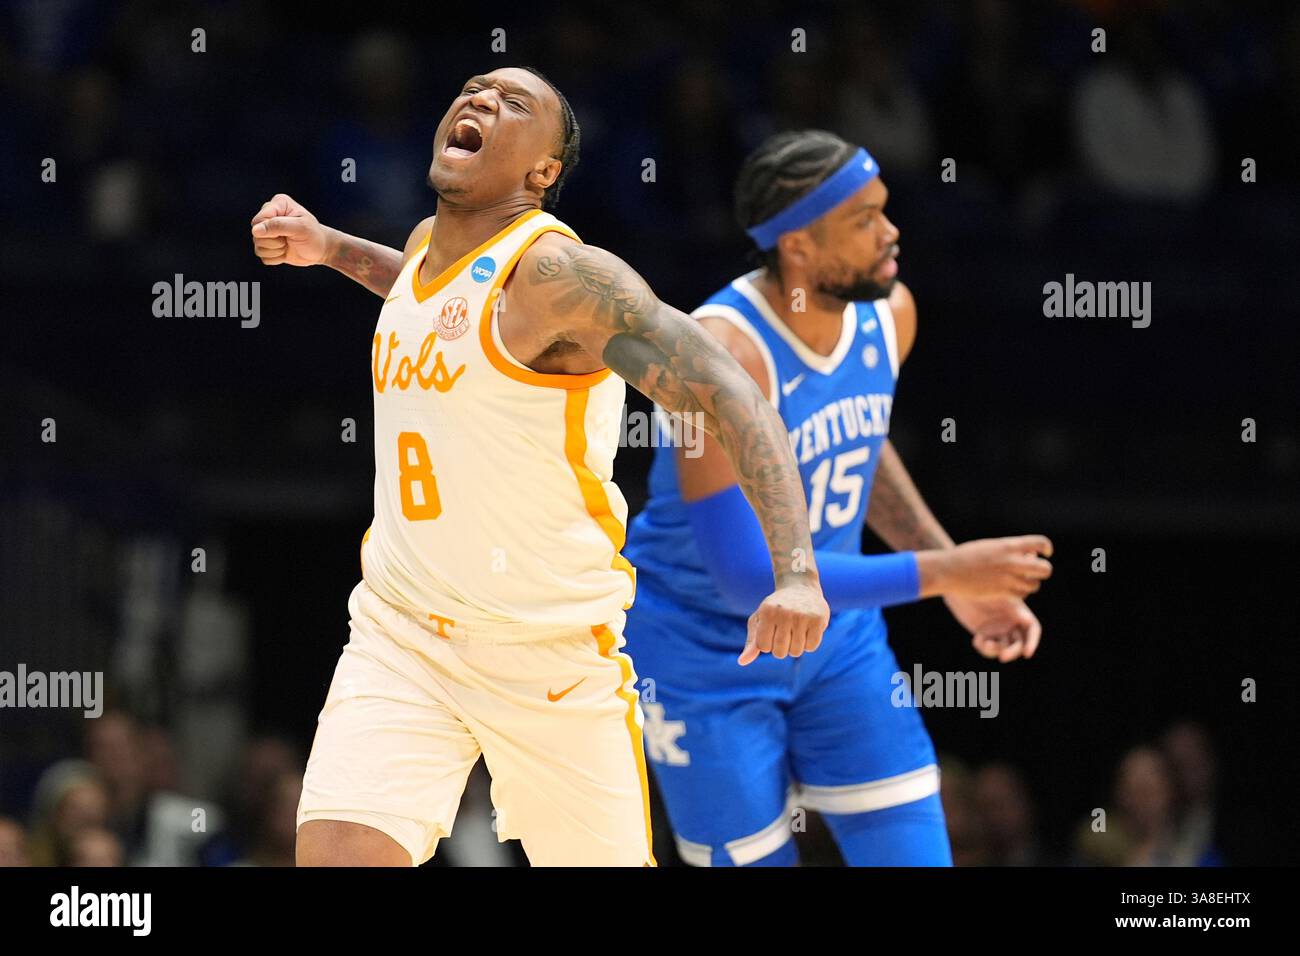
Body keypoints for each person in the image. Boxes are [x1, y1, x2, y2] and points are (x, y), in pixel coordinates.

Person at [249, 66, 830, 867]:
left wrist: (797, 571)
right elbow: (420, 295)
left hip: (547, 652)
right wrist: (327, 248)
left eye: (512, 102)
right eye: (474, 88)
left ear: (543, 173)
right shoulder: (425, 248)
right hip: (402, 634)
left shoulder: (563, 279)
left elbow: (732, 394)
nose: (480, 99)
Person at [622, 130, 1053, 866]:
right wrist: (947, 574)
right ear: (798, 246)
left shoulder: (892, 315)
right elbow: (747, 580)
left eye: (884, 210)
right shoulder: (719, 352)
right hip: (704, 654)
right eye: (864, 219)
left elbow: (860, 444)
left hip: (837, 643)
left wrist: (946, 567)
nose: (892, 232)